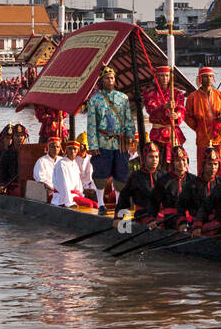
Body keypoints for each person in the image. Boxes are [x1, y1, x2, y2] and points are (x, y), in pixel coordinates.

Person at [86, 65, 137, 213]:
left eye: (112, 78)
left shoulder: (123, 98)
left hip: (120, 143)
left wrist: (130, 137)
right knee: (101, 174)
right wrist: (93, 144)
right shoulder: (94, 100)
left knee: (121, 174)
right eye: (107, 78)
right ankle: (101, 203)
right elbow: (91, 124)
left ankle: (119, 205)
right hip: (102, 141)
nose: (110, 80)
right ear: (101, 81)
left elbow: (129, 120)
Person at [183, 66, 221, 165]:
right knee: (202, 164)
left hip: (218, 135)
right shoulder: (192, 97)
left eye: (210, 76)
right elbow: (187, 116)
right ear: (200, 79)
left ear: (213, 78)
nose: (209, 79)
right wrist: (198, 127)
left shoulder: (219, 94)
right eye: (206, 77)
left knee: (219, 165)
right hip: (202, 136)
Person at [150, 146, 201, 229]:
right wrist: (152, 219)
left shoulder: (194, 180)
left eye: (183, 160)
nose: (181, 163)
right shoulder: (163, 181)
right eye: (178, 160)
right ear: (173, 163)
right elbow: (153, 203)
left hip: (190, 219)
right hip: (170, 219)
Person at [144, 65, 187, 164]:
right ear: (157, 77)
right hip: (158, 134)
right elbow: (151, 110)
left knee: (177, 162)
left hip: (174, 134)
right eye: (162, 76)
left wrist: (177, 115)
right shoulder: (149, 93)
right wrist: (164, 107)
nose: (164, 78)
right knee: (158, 163)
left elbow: (182, 109)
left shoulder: (177, 93)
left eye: (167, 76)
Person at [116, 142, 161, 216]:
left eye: (156, 157)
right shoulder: (135, 176)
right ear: (144, 158)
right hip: (143, 215)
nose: (154, 160)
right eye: (151, 157)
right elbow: (124, 197)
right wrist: (118, 217)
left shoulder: (163, 175)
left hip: (161, 215)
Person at [52, 137, 95, 208]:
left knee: (95, 204)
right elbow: (63, 185)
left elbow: (78, 184)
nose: (72, 151)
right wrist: (69, 203)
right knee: (90, 205)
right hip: (62, 197)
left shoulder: (74, 163)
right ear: (66, 150)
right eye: (70, 149)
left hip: (74, 195)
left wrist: (81, 196)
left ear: (78, 151)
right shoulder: (62, 164)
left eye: (75, 149)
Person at [32, 137, 63, 201]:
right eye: (52, 147)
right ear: (48, 148)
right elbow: (41, 180)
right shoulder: (41, 161)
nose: (55, 149)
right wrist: (54, 189)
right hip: (48, 192)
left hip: (62, 191)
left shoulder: (62, 160)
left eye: (57, 147)